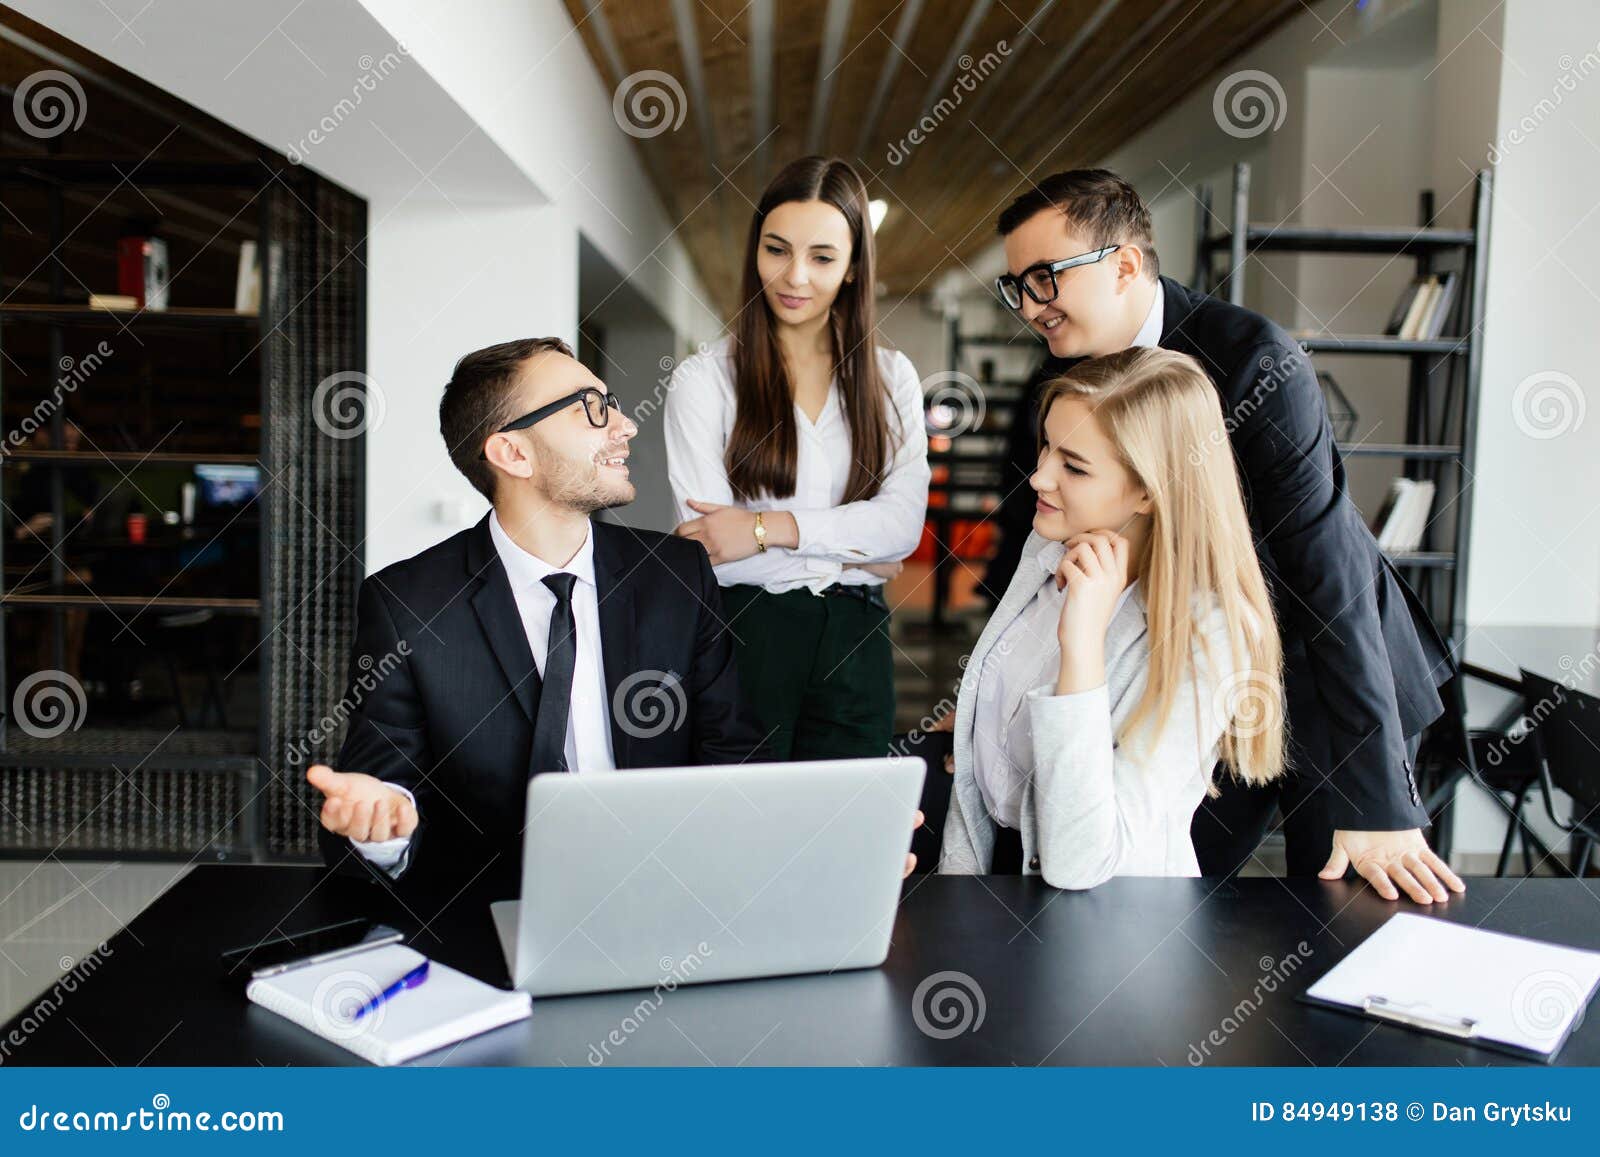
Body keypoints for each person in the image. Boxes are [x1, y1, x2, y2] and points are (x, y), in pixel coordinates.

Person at [980, 169, 1464, 904]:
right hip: (1196, 672)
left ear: (1126, 265)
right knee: (1134, 882)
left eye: (1046, 278)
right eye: (1017, 286)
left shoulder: (1253, 359)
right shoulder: (1062, 372)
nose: (1030, 305)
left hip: (1325, 676)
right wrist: (992, 681)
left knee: (1337, 913)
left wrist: (1377, 799)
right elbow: (1034, 533)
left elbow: (1326, 570)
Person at [305, 337, 773, 902]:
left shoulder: (675, 575)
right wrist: (385, 823)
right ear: (513, 453)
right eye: (591, 408)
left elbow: (734, 755)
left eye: (613, 403)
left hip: (666, 896)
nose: (625, 426)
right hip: (492, 914)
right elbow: (385, 784)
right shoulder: (408, 603)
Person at [941, 348, 1285, 887]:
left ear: (1150, 489)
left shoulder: (1214, 631)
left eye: (1073, 466)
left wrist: (1082, 642)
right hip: (997, 893)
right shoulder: (1047, 550)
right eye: (1046, 448)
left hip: (1111, 932)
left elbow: (1083, 861)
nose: (1039, 478)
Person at [665, 156, 930, 761]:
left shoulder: (891, 380)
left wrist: (766, 529)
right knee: (741, 831)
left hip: (857, 643)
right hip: (746, 633)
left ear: (854, 266)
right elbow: (717, 557)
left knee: (847, 834)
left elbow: (902, 529)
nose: (794, 277)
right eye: (776, 249)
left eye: (822, 257)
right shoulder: (704, 381)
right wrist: (851, 559)